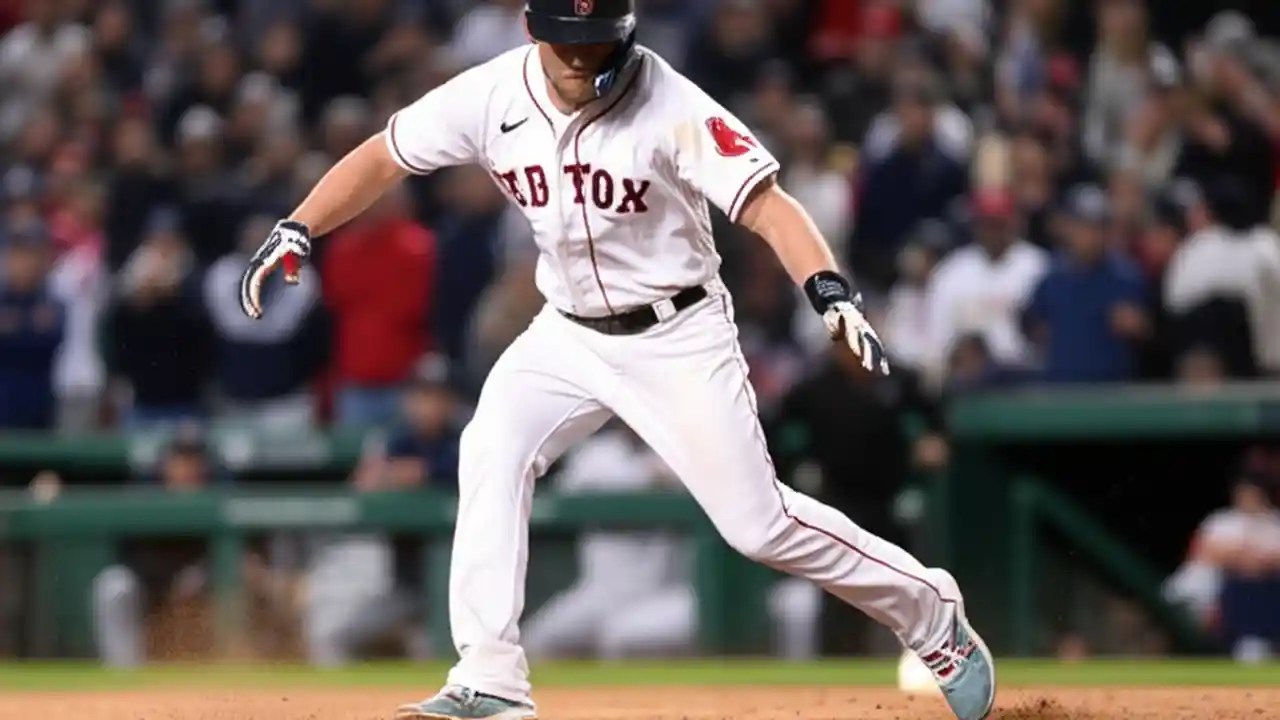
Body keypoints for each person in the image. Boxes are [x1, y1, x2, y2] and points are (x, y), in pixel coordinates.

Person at [238, 2, 995, 719]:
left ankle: (929, 611)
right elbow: (384, 155)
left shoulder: (668, 102)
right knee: (491, 448)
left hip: (678, 334)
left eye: (596, 34)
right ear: (534, 28)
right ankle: (490, 676)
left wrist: (829, 292)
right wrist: (300, 225)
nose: (580, 52)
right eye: (567, 34)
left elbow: (768, 204)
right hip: (565, 331)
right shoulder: (492, 91)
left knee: (756, 527)